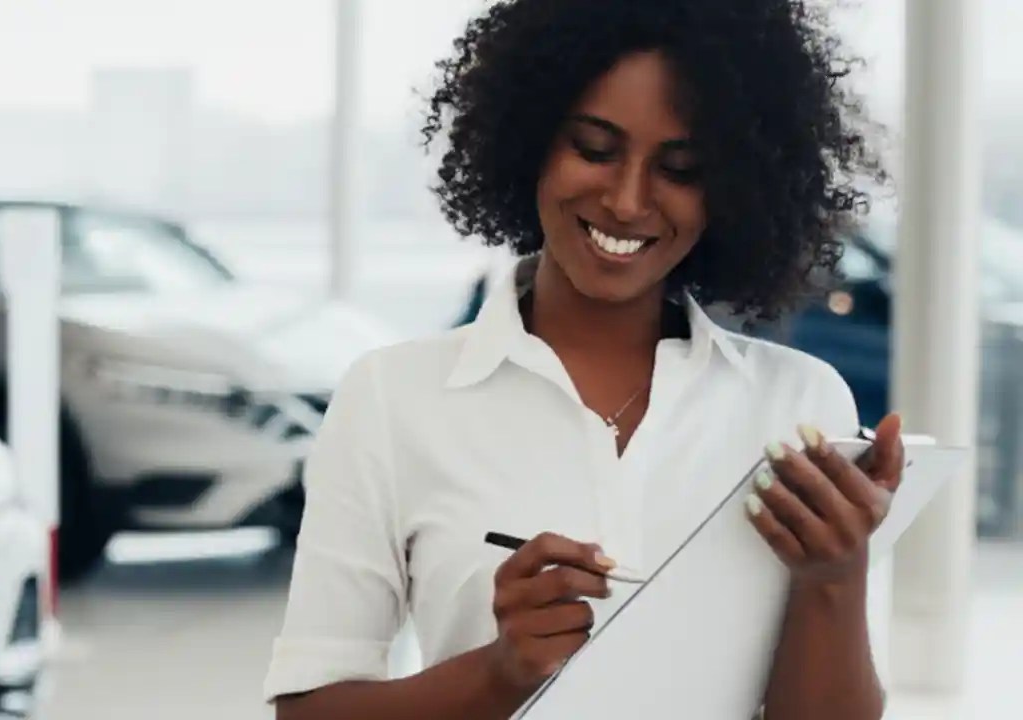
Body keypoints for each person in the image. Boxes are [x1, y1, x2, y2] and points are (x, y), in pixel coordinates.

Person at [266, 1, 904, 718]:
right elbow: (309, 710)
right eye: (595, 149)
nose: (628, 201)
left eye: (681, 168)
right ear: (530, 141)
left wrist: (834, 578)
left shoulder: (797, 404)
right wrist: (501, 672)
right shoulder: (393, 398)